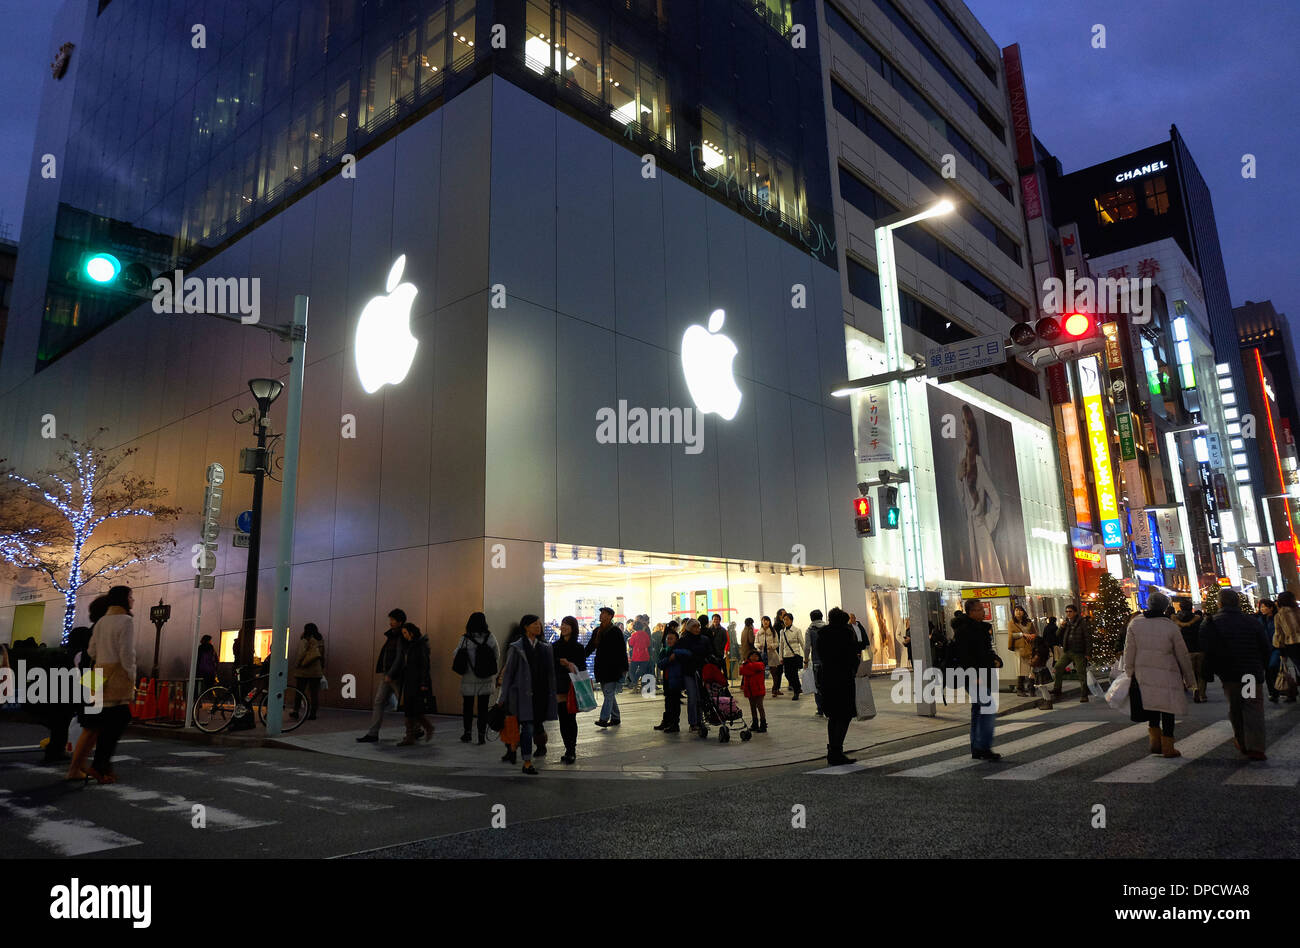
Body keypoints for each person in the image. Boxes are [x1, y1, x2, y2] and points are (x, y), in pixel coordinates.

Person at [1123, 591, 1195, 758]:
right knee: (1167, 708)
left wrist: (1129, 671)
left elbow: (1129, 651)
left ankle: (1155, 742)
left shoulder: (1135, 624)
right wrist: (1189, 678)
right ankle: (1168, 746)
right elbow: (1182, 654)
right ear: (1165, 607)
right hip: (1167, 672)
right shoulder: (1169, 625)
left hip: (1143, 672)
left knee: (1152, 706)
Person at [1202, 589, 1270, 761]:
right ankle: (1256, 747)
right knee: (1252, 707)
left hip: (1229, 673)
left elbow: (1206, 648)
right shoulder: (1251, 621)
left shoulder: (1211, 623)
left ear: (1219, 603)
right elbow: (1265, 646)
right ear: (1238, 603)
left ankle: (1241, 741)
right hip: (1250, 673)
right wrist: (1262, 665)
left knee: (1235, 707)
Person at [84, 585, 138, 783]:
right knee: (118, 719)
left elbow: (91, 651)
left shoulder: (101, 622)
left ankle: (100, 766)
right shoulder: (126, 621)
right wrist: (131, 673)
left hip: (99, 674)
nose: (133, 600)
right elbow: (126, 653)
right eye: (131, 596)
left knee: (103, 723)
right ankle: (100, 766)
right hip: (117, 675)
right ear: (123, 599)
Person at [496, 614, 558, 775]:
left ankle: (524, 756)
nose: (538, 627)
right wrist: (502, 698)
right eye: (534, 624)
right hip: (521, 697)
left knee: (533, 727)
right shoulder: (516, 647)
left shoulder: (545, 647)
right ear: (526, 627)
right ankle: (527, 761)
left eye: (539, 624)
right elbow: (509, 674)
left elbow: (550, 674)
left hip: (540, 695)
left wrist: (552, 694)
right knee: (528, 728)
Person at [957, 403, 1004, 583]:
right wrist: (959, 478)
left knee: (987, 576)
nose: (965, 430)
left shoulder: (978, 462)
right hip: (968, 533)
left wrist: (987, 525)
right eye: (962, 424)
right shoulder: (962, 462)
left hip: (980, 533)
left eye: (968, 425)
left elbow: (996, 501)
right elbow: (961, 502)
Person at [952, 598, 1002, 761]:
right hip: (974, 676)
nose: (984, 611)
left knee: (978, 709)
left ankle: (976, 747)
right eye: (981, 609)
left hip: (983, 673)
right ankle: (983, 746)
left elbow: (984, 650)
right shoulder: (964, 630)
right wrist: (974, 676)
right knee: (988, 707)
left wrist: (994, 658)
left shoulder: (980, 628)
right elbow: (965, 656)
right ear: (972, 612)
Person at [67, 596, 110, 781]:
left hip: (92, 679)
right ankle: (81, 767)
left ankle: (80, 766)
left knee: (93, 726)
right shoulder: (99, 630)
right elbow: (92, 660)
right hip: (93, 679)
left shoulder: (97, 629)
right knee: (92, 726)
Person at [357, 608, 407, 742]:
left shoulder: (401, 636)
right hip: (387, 675)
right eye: (390, 619)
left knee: (406, 704)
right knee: (378, 702)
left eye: (392, 620)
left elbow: (399, 658)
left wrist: (390, 673)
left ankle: (416, 729)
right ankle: (373, 733)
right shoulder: (392, 635)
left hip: (395, 676)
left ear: (400, 621)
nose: (390, 622)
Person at [818, 608, 860, 764]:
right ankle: (837, 750)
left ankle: (832, 750)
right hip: (843, 678)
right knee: (845, 714)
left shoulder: (823, 634)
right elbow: (852, 656)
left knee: (833, 715)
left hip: (828, 677)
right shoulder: (846, 633)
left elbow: (821, 654)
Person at [456, 612, 499, 745]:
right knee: (483, 708)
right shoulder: (490, 637)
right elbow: (496, 654)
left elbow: (456, 654)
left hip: (469, 677)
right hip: (485, 679)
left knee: (467, 707)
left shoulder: (465, 638)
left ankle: (467, 733)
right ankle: (481, 736)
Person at [585, 606, 628, 727]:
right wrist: (581, 657)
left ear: (610, 616)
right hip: (601, 667)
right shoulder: (597, 631)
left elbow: (621, 650)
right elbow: (590, 647)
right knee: (608, 694)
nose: (601, 615)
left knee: (608, 693)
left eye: (604, 613)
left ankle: (604, 719)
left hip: (612, 668)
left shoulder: (615, 631)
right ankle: (616, 717)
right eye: (601, 613)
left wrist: (624, 667)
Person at [395, 622, 434, 746]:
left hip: (416, 682)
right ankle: (410, 735)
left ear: (411, 632)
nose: (404, 636)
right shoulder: (411, 645)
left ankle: (424, 729)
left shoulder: (420, 646)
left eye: (405, 633)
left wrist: (423, 683)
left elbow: (424, 666)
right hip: (409, 681)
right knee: (409, 709)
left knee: (414, 710)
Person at [553, 616, 586, 763]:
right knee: (562, 720)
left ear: (573, 628)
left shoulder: (578, 647)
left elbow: (583, 669)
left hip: (572, 688)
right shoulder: (554, 646)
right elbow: (551, 667)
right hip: (559, 687)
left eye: (567, 624)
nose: (564, 627)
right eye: (563, 624)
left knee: (570, 719)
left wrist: (569, 664)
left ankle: (571, 750)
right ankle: (568, 748)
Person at [1051, 604, 1091, 703]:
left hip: (1078, 652)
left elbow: (1087, 638)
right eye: (1067, 611)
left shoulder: (1082, 623)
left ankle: (1084, 694)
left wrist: (1088, 652)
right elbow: (1057, 634)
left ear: (1075, 612)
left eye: (1070, 611)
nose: (1068, 613)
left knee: (1081, 673)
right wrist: (1061, 627)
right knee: (1058, 667)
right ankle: (1057, 689)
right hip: (1068, 651)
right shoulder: (1066, 623)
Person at [677, 618, 711, 734]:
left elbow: (709, 653)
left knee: (702, 696)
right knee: (692, 696)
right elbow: (680, 655)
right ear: (689, 628)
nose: (697, 629)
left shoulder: (704, 639)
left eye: (698, 626)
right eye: (694, 627)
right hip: (689, 672)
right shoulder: (684, 640)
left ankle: (701, 720)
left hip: (702, 671)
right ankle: (693, 723)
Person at [654, 629, 690, 733]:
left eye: (671, 639)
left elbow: (688, 654)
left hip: (675, 680)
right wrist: (669, 659)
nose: (668, 640)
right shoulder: (665, 650)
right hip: (666, 680)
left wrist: (675, 653)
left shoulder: (679, 650)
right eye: (667, 639)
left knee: (674, 703)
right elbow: (660, 664)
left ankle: (674, 724)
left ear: (676, 640)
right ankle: (666, 721)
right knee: (668, 702)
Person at [1173, 599, 1207, 703]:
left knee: (1188, 672)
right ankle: (1202, 694)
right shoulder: (1199, 619)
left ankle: (1194, 689)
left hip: (1184, 650)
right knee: (1201, 673)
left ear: (1180, 607)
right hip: (1199, 648)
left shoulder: (1175, 621)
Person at [291, 624, 324, 720]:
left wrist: (296, 664)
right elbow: (322, 655)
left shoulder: (305, 639)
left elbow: (301, 654)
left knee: (299, 692)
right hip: (316, 671)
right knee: (314, 693)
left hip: (303, 671)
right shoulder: (320, 640)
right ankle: (313, 714)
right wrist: (321, 667)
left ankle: (296, 711)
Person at [1273, 590, 1300, 702]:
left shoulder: (1279, 615)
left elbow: (1279, 634)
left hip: (1292, 645)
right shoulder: (1298, 611)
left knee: (1295, 668)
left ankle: (1292, 694)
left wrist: (1279, 647)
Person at [1008, 605, 1036, 697]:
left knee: (1031, 668)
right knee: (1021, 669)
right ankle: (1020, 689)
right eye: (1016, 610)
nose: (1018, 612)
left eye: (1020, 610)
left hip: (1029, 647)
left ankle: (1031, 688)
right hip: (1019, 648)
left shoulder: (1028, 622)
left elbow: (1035, 633)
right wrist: (1022, 634)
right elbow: (1011, 635)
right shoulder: (1011, 623)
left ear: (1024, 612)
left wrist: (1032, 636)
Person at [778, 612, 806, 701]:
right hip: (786, 656)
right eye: (784, 619)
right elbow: (781, 645)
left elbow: (802, 643)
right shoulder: (782, 631)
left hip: (795, 655)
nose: (785, 621)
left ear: (791, 620)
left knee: (793, 674)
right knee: (787, 674)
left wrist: (806, 656)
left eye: (787, 619)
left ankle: (796, 692)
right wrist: (780, 657)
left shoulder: (797, 630)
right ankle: (798, 687)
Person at [1258, 599, 1281, 702]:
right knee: (1268, 671)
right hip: (1265, 649)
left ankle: (1281, 688)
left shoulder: (1277, 618)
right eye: (1261, 607)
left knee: (1273, 667)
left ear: (1271, 607)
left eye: (1264, 607)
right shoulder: (1260, 620)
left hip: (1276, 647)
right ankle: (1273, 692)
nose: (1262, 609)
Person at [805, 609, 827, 716]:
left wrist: (805, 660)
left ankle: (820, 709)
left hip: (816, 661)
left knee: (817, 685)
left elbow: (807, 647)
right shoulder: (828, 628)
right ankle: (829, 707)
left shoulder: (810, 630)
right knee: (828, 684)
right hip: (828, 661)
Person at [739, 649, 768, 732]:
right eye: (752, 655)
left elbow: (748, 669)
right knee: (752, 707)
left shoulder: (760, 665)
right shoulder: (747, 665)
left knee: (760, 706)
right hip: (750, 689)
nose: (754, 657)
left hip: (758, 689)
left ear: (759, 657)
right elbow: (742, 671)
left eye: (756, 655)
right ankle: (755, 723)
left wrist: (746, 665)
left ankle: (763, 724)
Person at [759, 615, 783, 695]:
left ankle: (775, 689)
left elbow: (777, 643)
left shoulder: (773, 631)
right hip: (762, 655)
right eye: (764, 620)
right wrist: (758, 646)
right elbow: (755, 642)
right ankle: (761, 690)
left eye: (767, 620)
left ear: (769, 622)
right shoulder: (759, 632)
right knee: (761, 674)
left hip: (772, 654)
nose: (765, 622)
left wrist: (772, 646)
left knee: (774, 673)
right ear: (762, 622)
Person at [627, 621, 651, 693]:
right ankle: (640, 687)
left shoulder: (634, 635)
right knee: (641, 671)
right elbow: (648, 644)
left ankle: (635, 685)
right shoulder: (646, 634)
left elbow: (631, 644)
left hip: (636, 656)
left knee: (631, 671)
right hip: (645, 656)